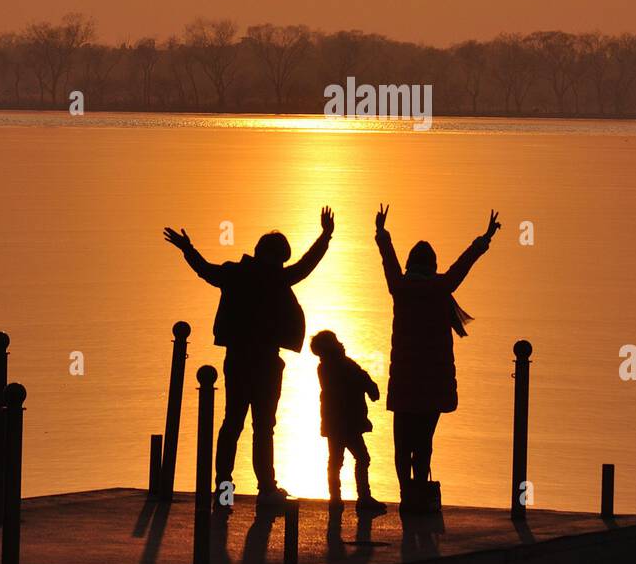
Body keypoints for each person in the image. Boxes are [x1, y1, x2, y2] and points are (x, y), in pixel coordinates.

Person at [163, 207, 334, 509]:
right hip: (264, 363)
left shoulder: (236, 273)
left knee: (237, 424)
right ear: (277, 256)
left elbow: (205, 269)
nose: (280, 263)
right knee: (259, 426)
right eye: (280, 257)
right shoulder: (278, 278)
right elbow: (306, 265)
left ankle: (229, 491)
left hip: (241, 361)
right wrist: (325, 235)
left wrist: (186, 248)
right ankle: (263, 490)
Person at [374, 204, 500, 510]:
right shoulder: (442, 287)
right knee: (424, 442)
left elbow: (388, 262)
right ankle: (419, 490)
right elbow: (464, 264)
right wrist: (484, 238)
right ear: (432, 265)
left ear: (410, 264)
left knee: (402, 443)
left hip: (404, 382)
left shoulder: (400, 288)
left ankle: (407, 494)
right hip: (433, 383)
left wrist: (382, 233)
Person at [309, 330, 386, 516]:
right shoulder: (341, 364)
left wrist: (369, 387)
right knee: (361, 458)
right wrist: (371, 389)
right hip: (347, 422)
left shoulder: (327, 367)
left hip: (335, 422)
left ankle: (336, 499)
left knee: (336, 461)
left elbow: (360, 377)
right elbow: (361, 378)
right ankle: (363, 498)